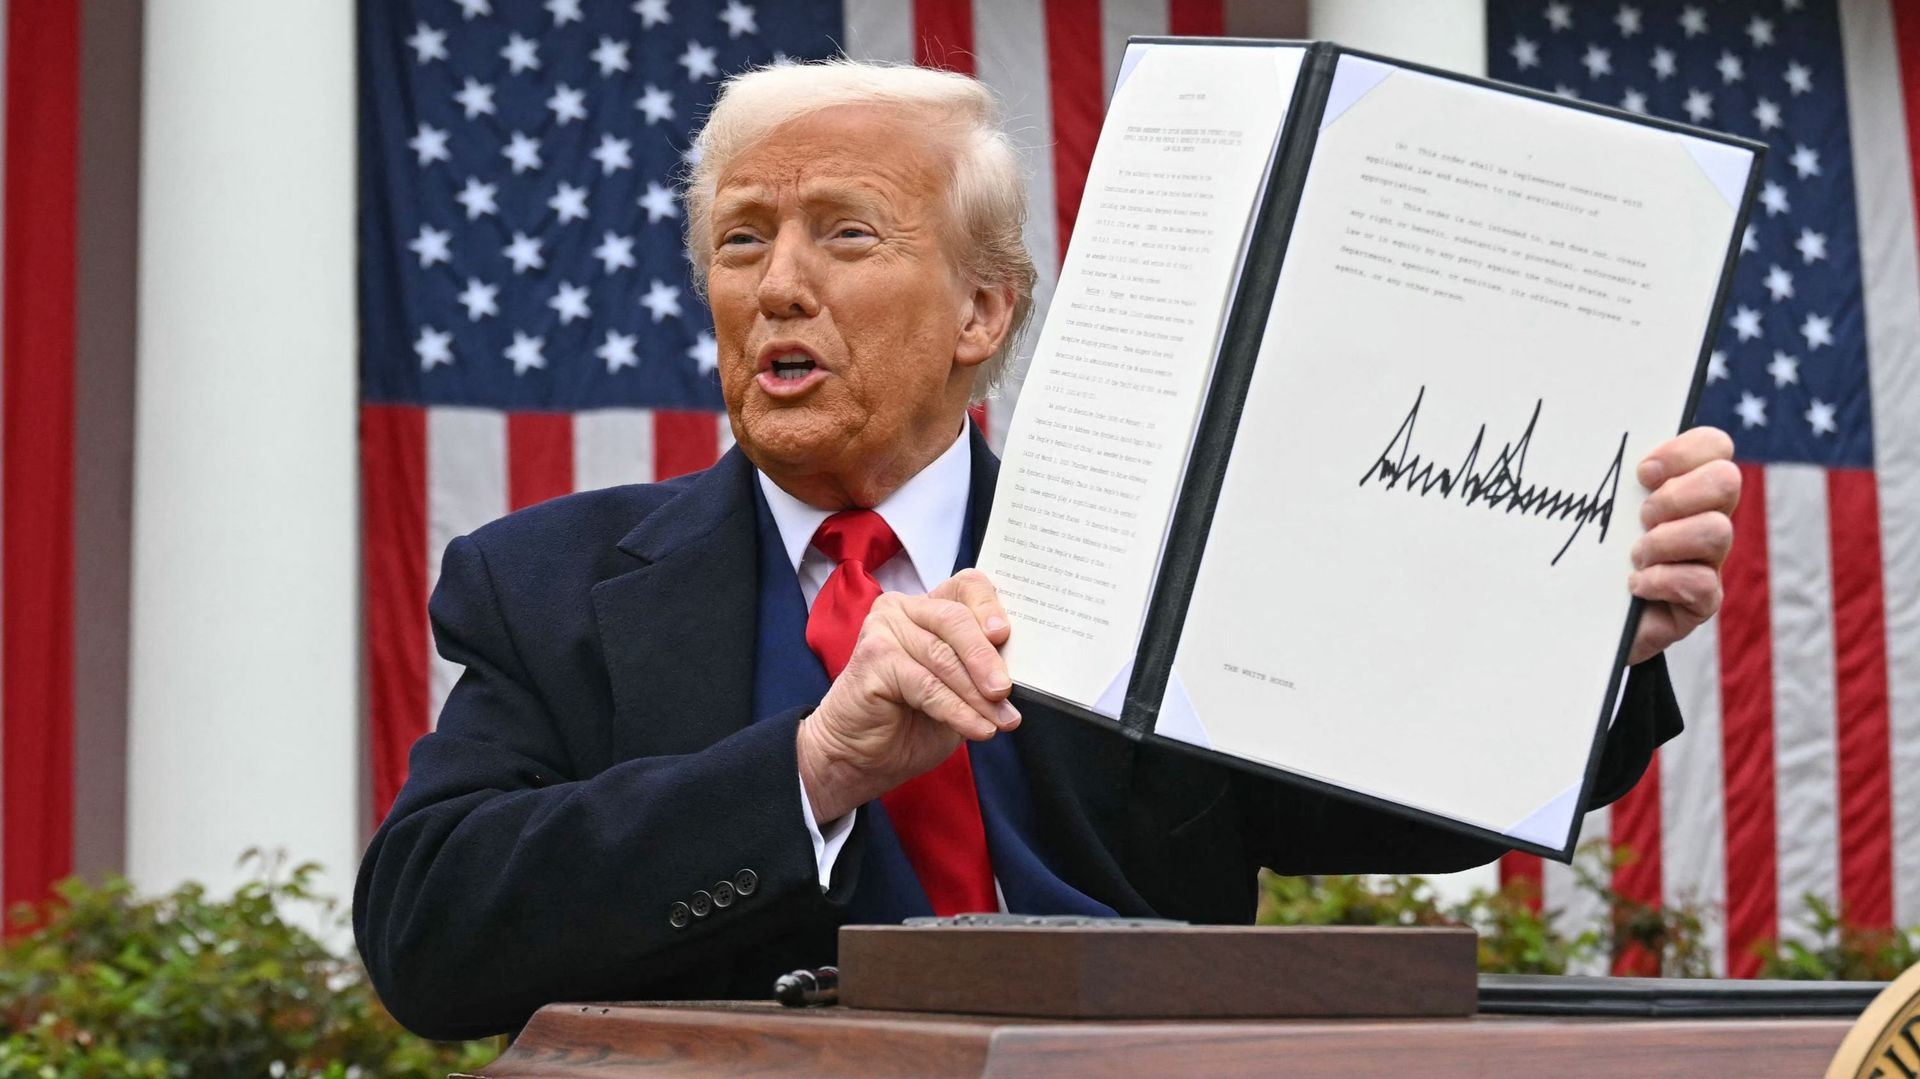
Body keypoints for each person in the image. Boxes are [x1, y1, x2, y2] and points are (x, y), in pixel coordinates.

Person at [353, 60, 1741, 1040]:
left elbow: (1404, 798)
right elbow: (429, 935)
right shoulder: (545, 587)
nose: (778, 284)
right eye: (741, 240)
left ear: (982, 314)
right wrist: (814, 771)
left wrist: (1588, 635)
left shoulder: (1165, 562)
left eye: (845, 235)